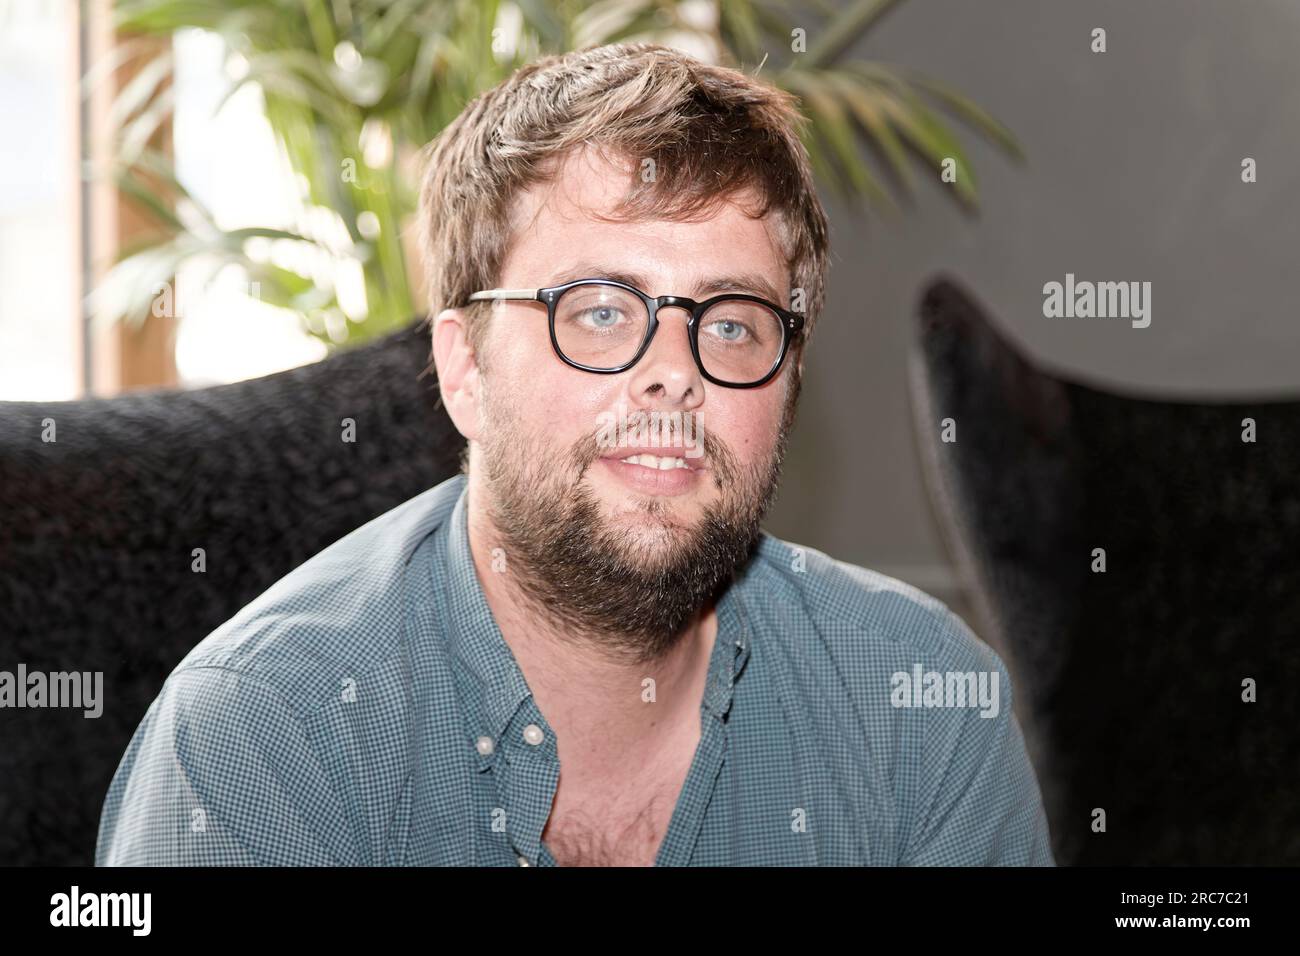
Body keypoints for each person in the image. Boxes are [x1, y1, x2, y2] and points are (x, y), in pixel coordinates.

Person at [96, 42, 1054, 867]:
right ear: (464, 369)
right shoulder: (261, 744)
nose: (675, 374)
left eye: (729, 324)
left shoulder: (920, 711)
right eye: (599, 312)